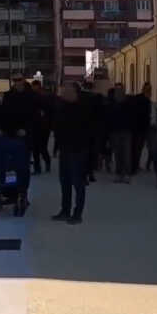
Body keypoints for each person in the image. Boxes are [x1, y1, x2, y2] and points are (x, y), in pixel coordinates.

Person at [52, 81, 89, 225]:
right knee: (65, 181)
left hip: (78, 150)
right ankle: (65, 210)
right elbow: (58, 127)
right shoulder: (62, 107)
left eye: (67, 91)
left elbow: (87, 131)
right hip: (65, 149)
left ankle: (77, 213)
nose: (64, 93)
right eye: (64, 91)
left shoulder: (83, 108)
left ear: (75, 93)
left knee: (77, 183)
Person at [0, 76, 35, 199]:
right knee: (3, 163)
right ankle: (3, 187)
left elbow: (34, 117)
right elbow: (0, 114)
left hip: (22, 137)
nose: (17, 83)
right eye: (15, 81)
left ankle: (21, 190)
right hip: (7, 135)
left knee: (21, 165)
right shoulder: (7, 96)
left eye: (19, 80)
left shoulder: (30, 97)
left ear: (23, 81)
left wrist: (26, 130)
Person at [107, 86, 133, 183]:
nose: (118, 95)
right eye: (117, 93)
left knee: (126, 153)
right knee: (118, 154)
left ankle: (126, 173)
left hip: (126, 131)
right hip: (115, 132)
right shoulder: (112, 104)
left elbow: (131, 117)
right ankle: (119, 173)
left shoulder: (128, 104)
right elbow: (109, 119)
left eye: (120, 92)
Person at [30, 80, 54, 175]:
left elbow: (49, 111)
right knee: (37, 148)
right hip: (39, 126)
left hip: (42, 126)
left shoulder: (44, 97)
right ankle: (39, 167)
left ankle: (44, 164)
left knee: (41, 147)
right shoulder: (37, 96)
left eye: (34, 86)